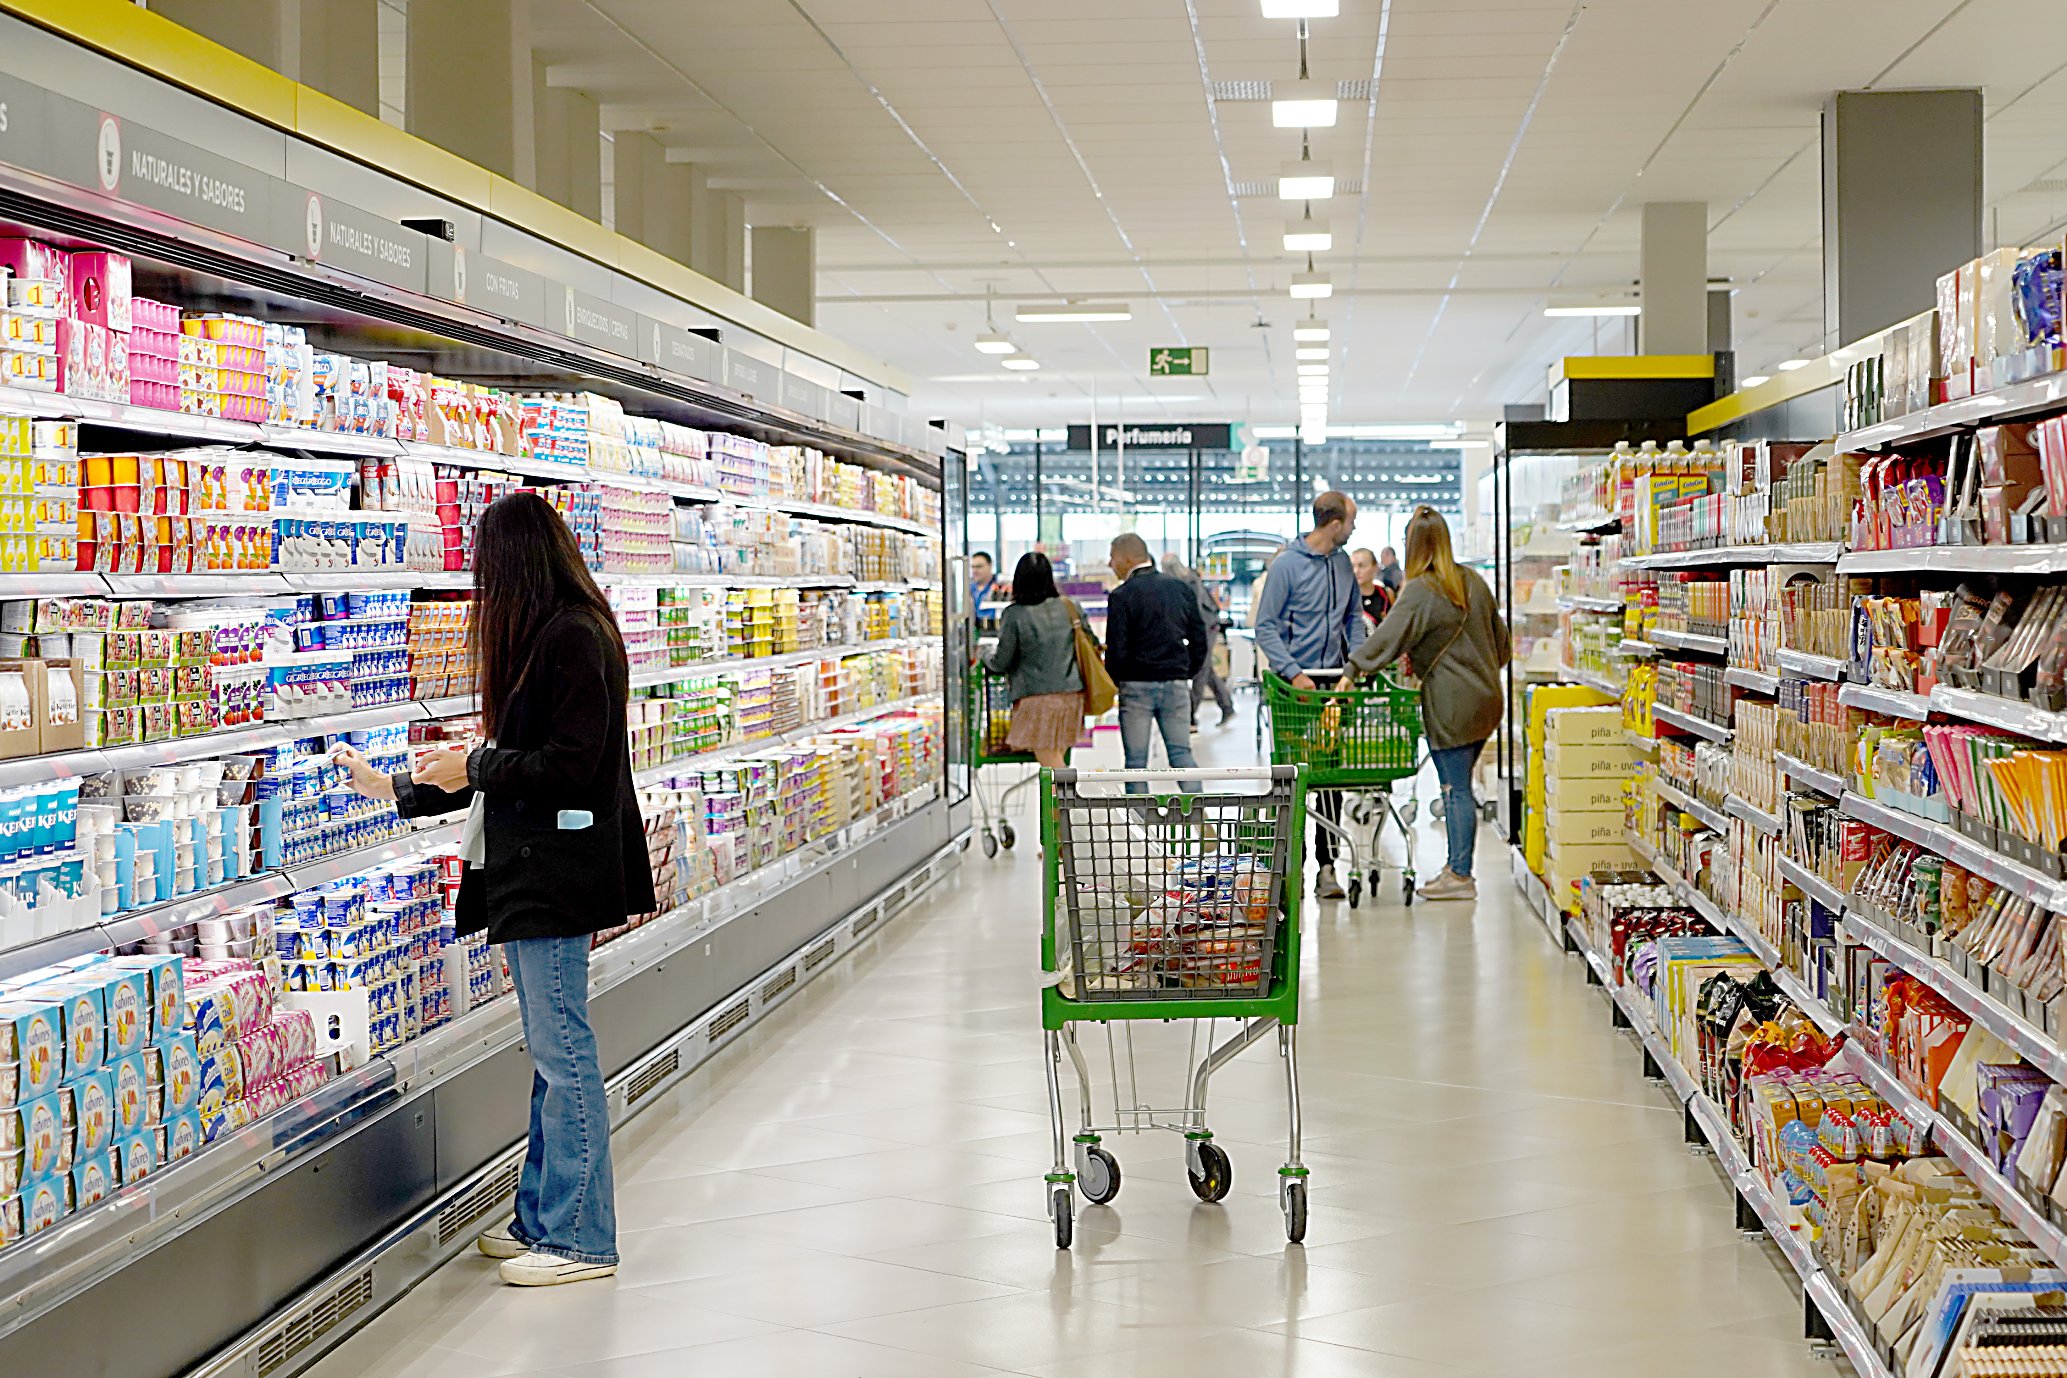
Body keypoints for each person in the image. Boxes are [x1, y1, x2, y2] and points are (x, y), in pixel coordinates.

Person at [334, 492, 655, 1287]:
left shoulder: (576, 636)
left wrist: (474, 766)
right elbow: (508, 764)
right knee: (551, 1054)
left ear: (513, 564)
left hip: (557, 870)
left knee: (564, 1050)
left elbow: (569, 765)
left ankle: (582, 1239)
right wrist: (398, 788)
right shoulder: (550, 636)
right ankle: (543, 1218)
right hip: (535, 868)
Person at [1346, 505, 1511, 901]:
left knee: (1454, 788)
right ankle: (1458, 870)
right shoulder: (1473, 581)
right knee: (1463, 785)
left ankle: (1460, 875)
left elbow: (1387, 638)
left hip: (1451, 702)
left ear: (1413, 546)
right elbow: (1502, 645)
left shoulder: (1421, 588)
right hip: (1488, 699)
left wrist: (1353, 671)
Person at [1252, 491, 1365, 900]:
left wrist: (1353, 665)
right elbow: (1265, 626)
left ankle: (1328, 866)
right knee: (1293, 777)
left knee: (1331, 778)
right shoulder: (1286, 566)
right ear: (1334, 524)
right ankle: (1291, 867)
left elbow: (1353, 616)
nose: (1354, 529)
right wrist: (1293, 673)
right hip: (1293, 689)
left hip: (1334, 685)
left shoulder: (1341, 564)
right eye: (1351, 521)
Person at [1105, 532, 1207, 793]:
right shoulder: (1179, 588)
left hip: (1135, 685)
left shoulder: (1121, 596)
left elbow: (1116, 648)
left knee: (1137, 762)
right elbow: (1199, 638)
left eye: (1112, 557)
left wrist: (1116, 682)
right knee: (1181, 754)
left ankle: (1138, 829)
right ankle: (1199, 817)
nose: (1110, 564)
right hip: (1175, 683)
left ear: (1127, 558)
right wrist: (1185, 671)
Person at [982, 552, 1091, 770]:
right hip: (1072, 695)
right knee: (1055, 756)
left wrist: (985, 655)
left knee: (1050, 762)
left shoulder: (1015, 614)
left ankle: (1067, 802)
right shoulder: (1070, 607)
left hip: (1037, 699)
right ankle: (1059, 804)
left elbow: (1001, 661)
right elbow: (1091, 642)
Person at [1162, 552, 1234, 729]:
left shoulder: (1189, 581)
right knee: (1207, 670)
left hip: (1205, 627)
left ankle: (1190, 714)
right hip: (1202, 626)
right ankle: (1227, 706)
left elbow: (1194, 610)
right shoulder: (1187, 579)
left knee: (1201, 670)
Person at [1351, 547, 1394, 626]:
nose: (1356, 571)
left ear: (1375, 567)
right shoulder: (1346, 598)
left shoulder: (1386, 594)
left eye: (1362, 566)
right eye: (1352, 566)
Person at [970, 551, 1002, 631]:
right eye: (973, 567)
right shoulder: (969, 589)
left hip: (996, 631)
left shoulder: (1000, 588)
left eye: (979, 567)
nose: (975, 571)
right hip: (975, 633)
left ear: (990, 566)